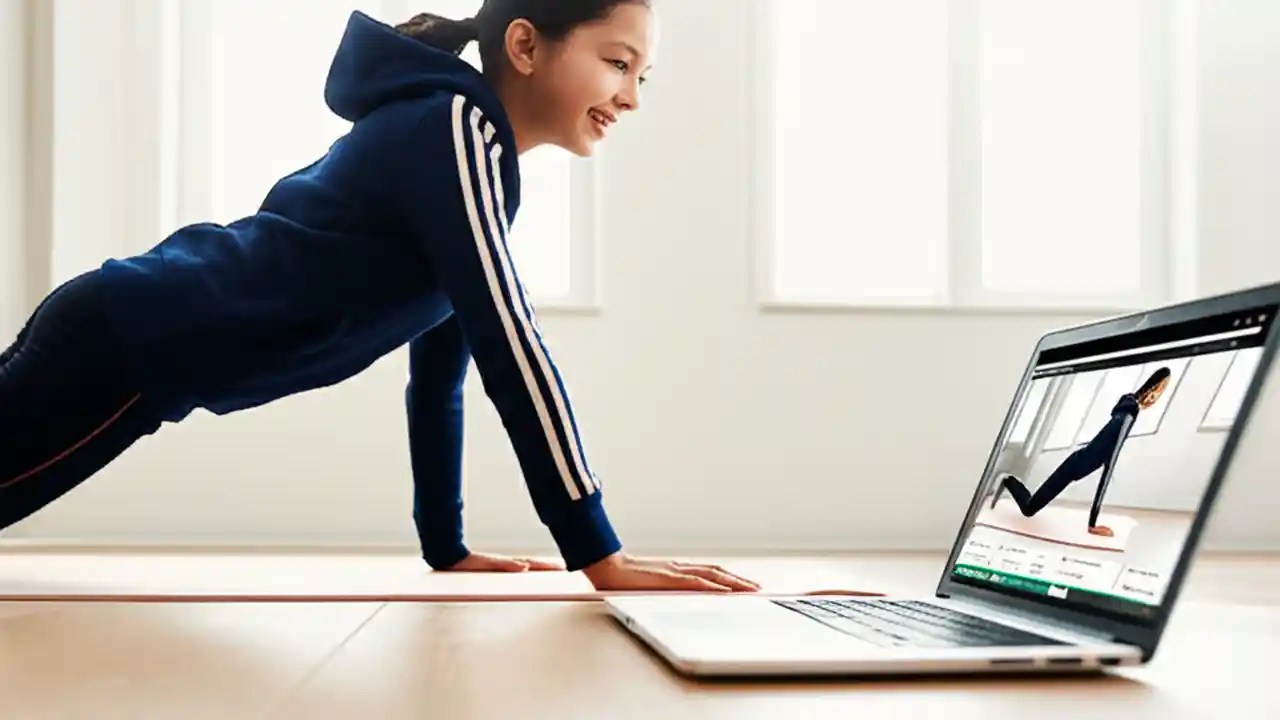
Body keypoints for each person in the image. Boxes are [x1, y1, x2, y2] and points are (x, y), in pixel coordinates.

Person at [0, 0, 761, 593]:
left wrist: (446, 543)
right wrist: (598, 548)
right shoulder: (454, 130)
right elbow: (510, 342)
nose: (631, 97)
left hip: (129, 345)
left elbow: (442, 372)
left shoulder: (471, 156)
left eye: (643, 76)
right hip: (127, 344)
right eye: (618, 63)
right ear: (526, 47)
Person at [989, 368, 1173, 537]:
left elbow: (1107, 452)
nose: (1156, 398)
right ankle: (1008, 479)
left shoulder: (1125, 412)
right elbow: (1110, 462)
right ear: (1150, 391)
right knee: (1029, 509)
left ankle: (1009, 480)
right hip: (1073, 467)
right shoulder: (1128, 416)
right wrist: (1092, 525)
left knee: (1031, 507)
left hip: (1076, 464)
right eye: (1157, 392)